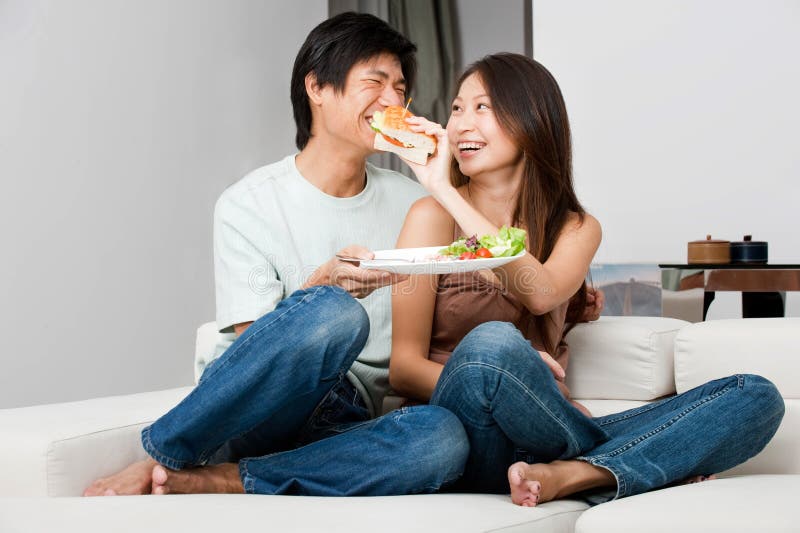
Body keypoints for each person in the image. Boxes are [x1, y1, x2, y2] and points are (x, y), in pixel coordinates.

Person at [83, 12, 470, 497]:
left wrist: (443, 179)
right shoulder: (249, 203)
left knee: (441, 439)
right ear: (317, 87)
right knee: (336, 314)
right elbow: (257, 355)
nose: (394, 100)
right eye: (375, 82)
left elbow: (476, 268)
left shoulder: (416, 203)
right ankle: (162, 455)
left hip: (349, 421)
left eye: (400, 87)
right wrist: (321, 285)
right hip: (265, 410)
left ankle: (229, 478)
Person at [389, 53, 785, 506]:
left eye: (483, 107)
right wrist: (509, 376)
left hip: (544, 435)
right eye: (457, 108)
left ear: (532, 120)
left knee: (754, 396)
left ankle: (570, 475)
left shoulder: (576, 227)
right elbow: (403, 368)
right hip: (469, 432)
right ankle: (620, 460)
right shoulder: (428, 216)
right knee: (494, 345)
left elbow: (538, 293)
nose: (460, 124)